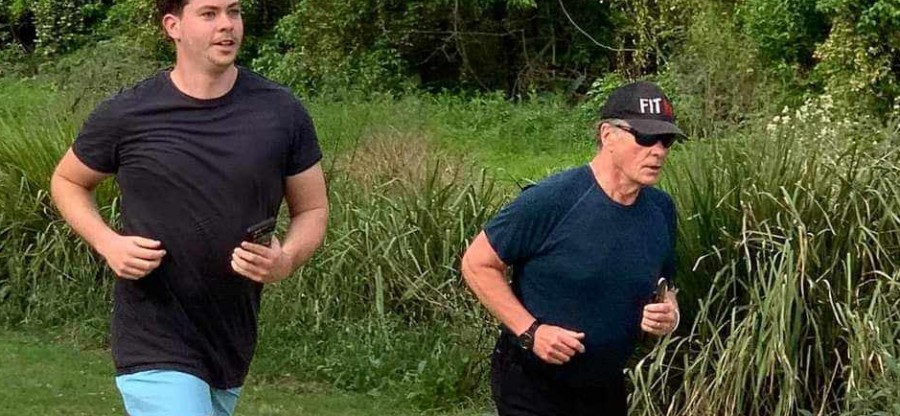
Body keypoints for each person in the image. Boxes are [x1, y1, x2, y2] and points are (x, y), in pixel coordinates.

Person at [49, 1, 328, 415]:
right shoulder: (129, 113)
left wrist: (286, 259)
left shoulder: (280, 112)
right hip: (152, 334)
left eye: (234, 12)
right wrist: (108, 242)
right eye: (209, 14)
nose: (227, 25)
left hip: (230, 338)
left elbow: (312, 209)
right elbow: (68, 181)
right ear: (173, 26)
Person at [461, 81, 683, 415]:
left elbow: (665, 285)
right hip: (533, 384)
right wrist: (531, 332)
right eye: (645, 137)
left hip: (604, 386)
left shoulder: (660, 209)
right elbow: (477, 263)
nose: (659, 151)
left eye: (666, 140)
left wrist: (670, 313)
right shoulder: (553, 199)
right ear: (607, 135)